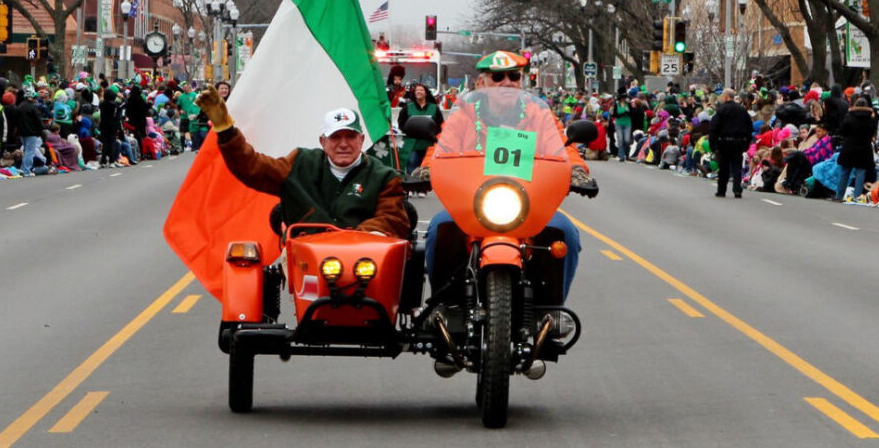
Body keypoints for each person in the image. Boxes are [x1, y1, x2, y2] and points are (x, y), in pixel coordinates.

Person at [414, 51, 596, 315]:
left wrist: (578, 170)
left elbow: (562, 146)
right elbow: (441, 147)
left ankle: (551, 311)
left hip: (529, 205)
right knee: (438, 229)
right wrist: (425, 170)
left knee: (565, 232)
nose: (507, 83)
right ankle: (443, 308)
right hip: (471, 204)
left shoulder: (539, 114)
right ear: (482, 82)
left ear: (522, 81)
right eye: (498, 77)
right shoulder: (464, 114)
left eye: (514, 76)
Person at [194, 87, 410, 238]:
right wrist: (225, 130)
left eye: (350, 136)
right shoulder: (301, 163)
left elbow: (392, 219)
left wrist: (354, 238)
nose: (343, 144)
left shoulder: (384, 177)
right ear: (323, 142)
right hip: (308, 257)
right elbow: (253, 168)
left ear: (362, 140)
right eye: (335, 137)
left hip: (364, 260)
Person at [708, 89, 752, 198]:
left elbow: (713, 128)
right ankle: (737, 190)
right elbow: (749, 128)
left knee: (723, 167)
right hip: (738, 142)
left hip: (724, 142)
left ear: (726, 97)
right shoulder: (742, 110)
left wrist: (713, 145)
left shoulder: (721, 110)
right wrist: (746, 144)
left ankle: (721, 190)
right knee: (737, 167)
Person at [835, 96, 878, 201]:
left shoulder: (848, 116)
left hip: (849, 146)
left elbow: (843, 131)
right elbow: (872, 132)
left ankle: (839, 196)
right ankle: (857, 197)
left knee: (845, 172)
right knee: (860, 173)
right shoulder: (871, 118)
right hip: (864, 148)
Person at [397, 82, 443, 177]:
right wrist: (409, 131)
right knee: (412, 166)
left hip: (429, 144)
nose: (419, 92)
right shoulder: (407, 107)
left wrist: (433, 134)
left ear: (426, 93)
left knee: (427, 169)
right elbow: (401, 123)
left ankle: (425, 189)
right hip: (412, 144)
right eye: (417, 90)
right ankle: (412, 188)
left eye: (421, 90)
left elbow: (440, 124)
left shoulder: (434, 108)